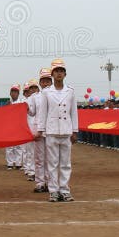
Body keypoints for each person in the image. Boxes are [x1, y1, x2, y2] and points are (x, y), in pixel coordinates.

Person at [36, 58, 78, 202]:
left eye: (61, 71)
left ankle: (65, 190)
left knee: (66, 164)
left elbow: (74, 112)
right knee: (52, 163)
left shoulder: (70, 91)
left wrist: (75, 130)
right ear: (52, 75)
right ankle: (54, 191)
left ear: (65, 74)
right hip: (52, 131)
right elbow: (43, 112)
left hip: (66, 131)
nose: (59, 74)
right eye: (56, 71)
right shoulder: (47, 92)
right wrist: (41, 130)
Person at [29, 68, 52, 192]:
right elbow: (32, 113)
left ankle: (49, 182)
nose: (45, 83)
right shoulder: (34, 97)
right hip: (38, 129)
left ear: (51, 81)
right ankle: (40, 183)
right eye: (43, 81)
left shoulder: (54, 95)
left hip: (51, 130)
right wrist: (26, 108)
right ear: (40, 82)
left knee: (50, 158)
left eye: (48, 80)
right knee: (38, 158)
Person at [5, 85, 24, 170]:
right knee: (9, 146)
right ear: (10, 93)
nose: (13, 93)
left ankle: (18, 164)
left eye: (15, 92)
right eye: (12, 91)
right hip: (9, 126)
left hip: (19, 126)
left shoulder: (22, 103)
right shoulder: (7, 103)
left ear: (18, 93)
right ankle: (10, 164)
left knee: (18, 146)